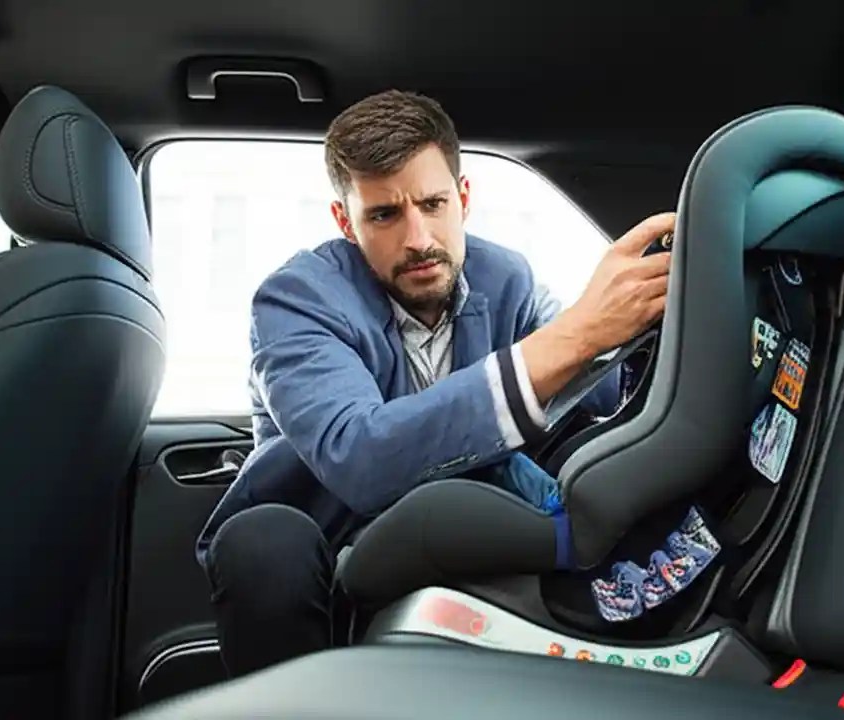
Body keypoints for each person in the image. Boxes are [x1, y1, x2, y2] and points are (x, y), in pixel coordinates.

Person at [194, 89, 675, 677]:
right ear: (346, 221)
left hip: (460, 539)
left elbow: (600, 402)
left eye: (433, 203)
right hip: (327, 539)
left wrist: (645, 327)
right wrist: (576, 336)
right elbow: (361, 454)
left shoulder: (506, 279)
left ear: (463, 199)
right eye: (384, 215)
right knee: (264, 542)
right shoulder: (297, 300)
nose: (418, 238)